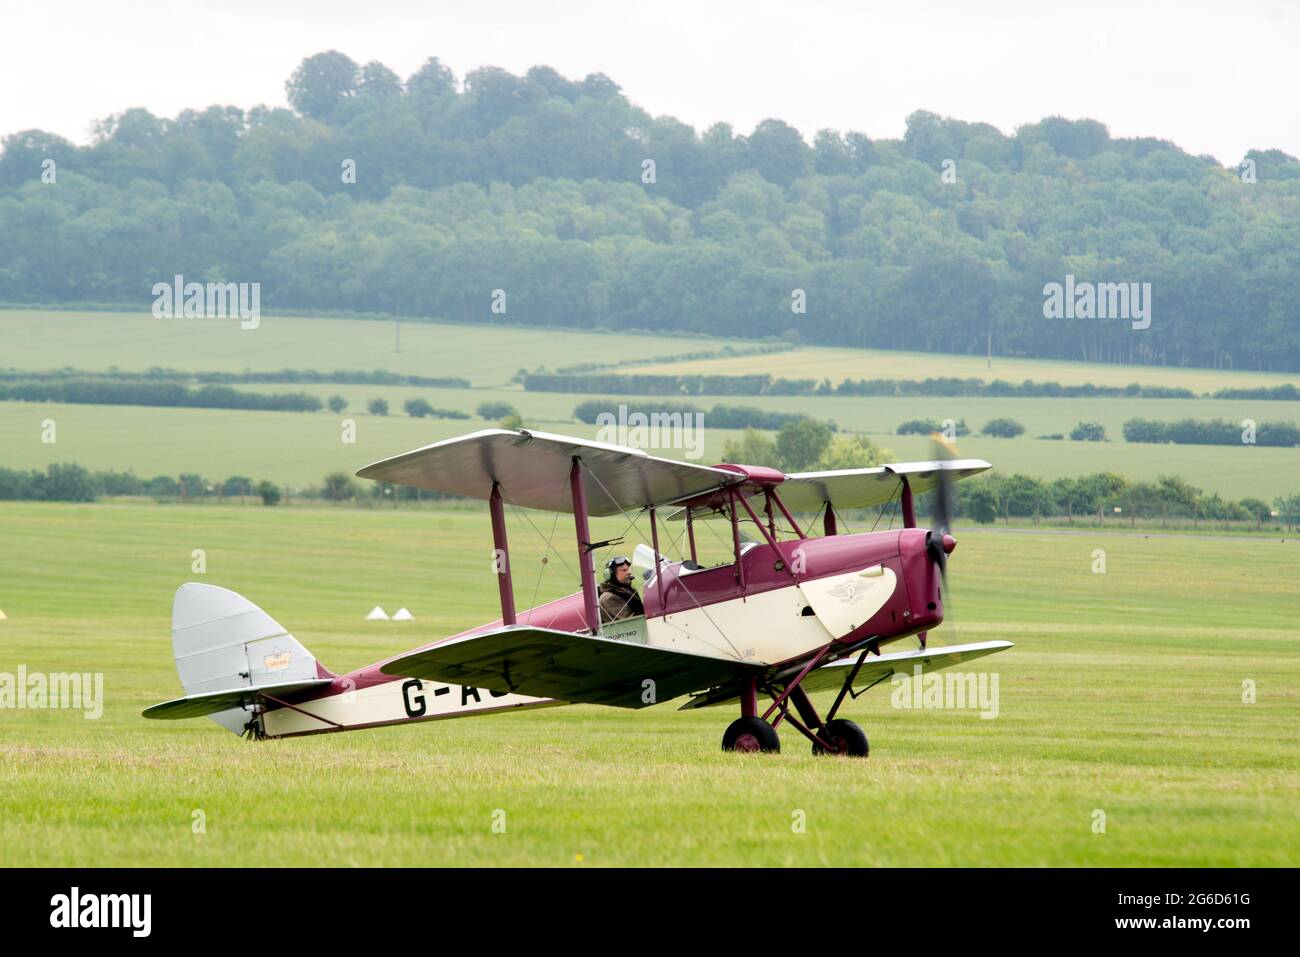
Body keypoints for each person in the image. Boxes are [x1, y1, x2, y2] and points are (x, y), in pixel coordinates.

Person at [598, 555, 644, 623]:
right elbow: (633, 621)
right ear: (611, 575)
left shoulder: (626, 589)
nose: (629, 572)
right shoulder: (609, 597)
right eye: (624, 570)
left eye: (628, 569)